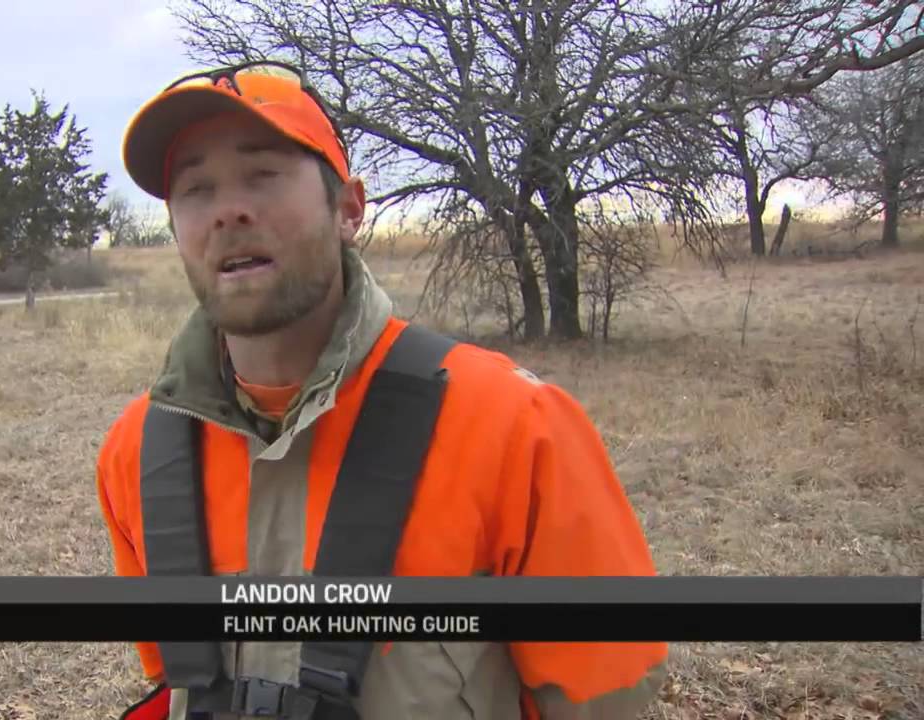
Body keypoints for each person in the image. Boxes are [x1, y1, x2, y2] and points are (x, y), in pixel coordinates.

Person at [96, 59, 667, 720]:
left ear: (349, 209)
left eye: (263, 174)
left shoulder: (515, 427)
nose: (229, 211)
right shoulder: (137, 453)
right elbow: (179, 678)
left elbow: (604, 697)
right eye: (195, 188)